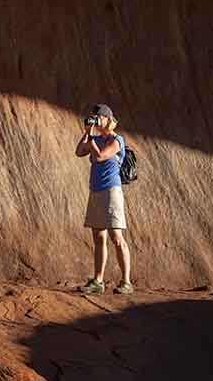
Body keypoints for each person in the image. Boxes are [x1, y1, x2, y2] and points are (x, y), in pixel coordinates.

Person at [75, 104, 133, 295]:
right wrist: (87, 133)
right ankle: (98, 281)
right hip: (96, 190)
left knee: (116, 237)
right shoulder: (96, 138)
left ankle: (126, 282)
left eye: (98, 117)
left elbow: (100, 156)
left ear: (108, 119)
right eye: (94, 117)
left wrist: (91, 138)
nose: (96, 120)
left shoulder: (117, 140)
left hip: (111, 191)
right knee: (99, 237)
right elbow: (80, 152)